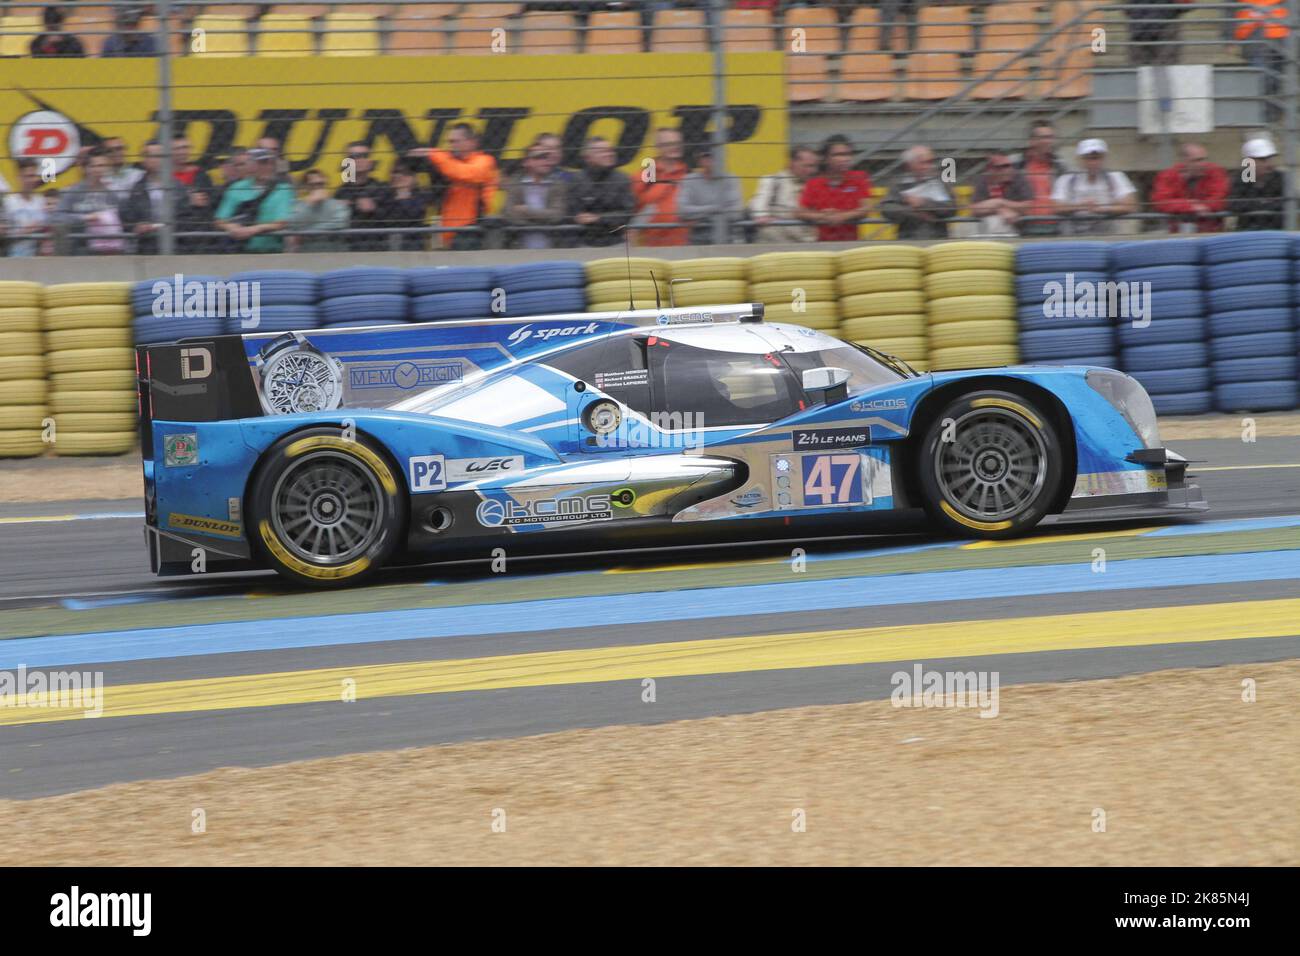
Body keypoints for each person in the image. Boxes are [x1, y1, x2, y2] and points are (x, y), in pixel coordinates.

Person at [409, 123, 498, 250]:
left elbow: (466, 173)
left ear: (472, 142)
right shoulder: (448, 162)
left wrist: (434, 154)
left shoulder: (484, 161)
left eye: (455, 141)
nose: (451, 146)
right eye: (450, 142)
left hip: (471, 229)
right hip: (447, 231)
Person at [214, 147, 295, 253]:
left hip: (272, 250)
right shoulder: (236, 187)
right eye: (260, 163)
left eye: (268, 163)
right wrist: (231, 227)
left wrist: (255, 229)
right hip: (240, 250)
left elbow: (282, 222)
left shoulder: (283, 189)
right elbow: (220, 220)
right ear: (250, 166)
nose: (266, 167)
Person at [1050, 138, 1138, 235]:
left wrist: (1101, 209)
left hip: (1107, 237)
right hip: (1073, 237)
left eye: (1097, 158)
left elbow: (1130, 206)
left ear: (1103, 158)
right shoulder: (1066, 179)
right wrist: (1080, 207)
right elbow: (1056, 207)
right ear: (1080, 159)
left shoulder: (1116, 177)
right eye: (1088, 158)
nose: (1093, 163)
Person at [799, 135, 873, 242]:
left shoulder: (859, 177)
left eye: (848, 154)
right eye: (838, 155)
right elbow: (800, 212)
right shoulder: (814, 183)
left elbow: (866, 208)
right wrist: (822, 216)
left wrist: (842, 216)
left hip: (850, 243)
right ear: (826, 159)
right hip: (821, 243)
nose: (845, 159)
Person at [566, 136, 635, 247]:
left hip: (616, 241)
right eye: (602, 151)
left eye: (610, 150)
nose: (609, 154)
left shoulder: (622, 179)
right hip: (584, 242)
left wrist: (598, 218)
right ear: (588, 157)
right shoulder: (577, 180)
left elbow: (627, 213)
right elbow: (573, 214)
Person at [54, 147, 125, 254]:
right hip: (79, 251)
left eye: (102, 166)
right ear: (87, 168)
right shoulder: (74, 192)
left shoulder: (112, 195)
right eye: (95, 166)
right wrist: (85, 218)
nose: (99, 170)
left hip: (107, 253)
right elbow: (57, 217)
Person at [880, 144, 957, 240]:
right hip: (908, 238)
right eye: (923, 163)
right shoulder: (899, 183)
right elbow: (887, 208)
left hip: (937, 237)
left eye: (930, 162)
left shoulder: (940, 182)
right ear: (910, 165)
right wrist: (916, 214)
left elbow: (952, 207)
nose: (928, 166)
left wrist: (923, 203)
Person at [1150, 142, 1230, 233]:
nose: (1203, 164)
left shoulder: (1215, 172)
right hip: (1179, 232)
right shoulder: (1169, 175)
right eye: (1197, 160)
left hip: (1210, 230)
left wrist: (1203, 206)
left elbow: (1220, 199)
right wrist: (1191, 206)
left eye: (1204, 159)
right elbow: (1160, 201)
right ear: (1185, 161)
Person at [631, 127, 690, 247]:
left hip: (684, 242)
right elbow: (634, 205)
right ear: (658, 147)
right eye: (669, 143)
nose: (675, 147)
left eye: (678, 143)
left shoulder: (688, 173)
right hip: (651, 243)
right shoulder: (648, 172)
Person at [504, 142, 568, 249]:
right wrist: (544, 217)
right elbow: (510, 215)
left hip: (552, 247)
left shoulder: (558, 184)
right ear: (526, 162)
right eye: (540, 157)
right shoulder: (515, 183)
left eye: (547, 157)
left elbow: (557, 216)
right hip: (519, 247)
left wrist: (526, 211)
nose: (546, 161)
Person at [749, 146, 819, 243]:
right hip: (775, 244)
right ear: (792, 163)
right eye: (807, 166)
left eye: (814, 166)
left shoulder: (815, 185)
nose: (812, 171)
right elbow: (758, 203)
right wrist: (762, 216)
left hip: (805, 242)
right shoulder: (774, 180)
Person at [335, 140, 396, 251]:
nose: (359, 160)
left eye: (364, 156)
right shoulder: (341, 192)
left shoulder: (382, 188)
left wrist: (374, 209)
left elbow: (395, 219)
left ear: (370, 161)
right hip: (349, 248)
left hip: (378, 247)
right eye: (353, 157)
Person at [677, 147, 743, 245]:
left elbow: (736, 212)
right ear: (698, 160)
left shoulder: (730, 179)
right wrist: (716, 209)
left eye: (715, 156)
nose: (711, 160)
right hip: (698, 239)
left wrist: (699, 218)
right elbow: (682, 211)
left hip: (727, 238)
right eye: (706, 156)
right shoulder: (689, 180)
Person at [1234, 0, 1288, 117]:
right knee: (1261, 78)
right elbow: (1230, 10)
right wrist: (1228, 38)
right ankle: (1262, 114)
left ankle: (1269, 112)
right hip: (1257, 39)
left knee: (1274, 79)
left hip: (1278, 37)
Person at [1015, 121, 1066, 236]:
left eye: (1051, 137)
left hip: (1055, 226)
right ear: (1032, 141)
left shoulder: (1061, 167)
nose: (1049, 141)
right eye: (1044, 137)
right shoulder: (1017, 166)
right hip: (1025, 225)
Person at [120, 140, 168, 254]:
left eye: (159, 155)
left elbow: (184, 218)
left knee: (177, 273)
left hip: (176, 246)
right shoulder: (136, 190)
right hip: (148, 247)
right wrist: (135, 227)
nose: (155, 160)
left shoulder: (177, 188)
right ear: (144, 160)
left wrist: (156, 226)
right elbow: (129, 218)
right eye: (150, 156)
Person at [969, 151, 1033, 236]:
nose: (1008, 169)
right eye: (1002, 167)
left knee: (998, 222)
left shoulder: (1019, 178)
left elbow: (1027, 207)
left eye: (1009, 166)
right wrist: (999, 209)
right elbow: (975, 209)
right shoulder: (983, 180)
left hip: (1018, 225)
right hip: (988, 228)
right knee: (993, 220)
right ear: (991, 169)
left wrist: (1000, 202)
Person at [1228, 137, 1285, 230]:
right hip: (1247, 231)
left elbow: (1292, 203)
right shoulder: (1242, 178)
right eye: (1263, 160)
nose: (1269, 164)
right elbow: (1233, 205)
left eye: (1270, 159)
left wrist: (1255, 205)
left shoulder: (1280, 178)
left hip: (1276, 230)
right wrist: (1266, 204)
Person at [287, 169, 350, 252]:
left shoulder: (338, 205)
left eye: (321, 184)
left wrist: (307, 232)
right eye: (313, 185)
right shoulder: (298, 206)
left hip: (334, 249)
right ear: (306, 187)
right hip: (308, 251)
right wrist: (310, 203)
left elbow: (340, 224)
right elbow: (293, 224)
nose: (318, 187)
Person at [172, 134, 217, 251]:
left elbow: (207, 203)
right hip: (174, 234)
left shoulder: (201, 175)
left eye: (186, 147)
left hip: (199, 233)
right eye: (178, 148)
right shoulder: (162, 177)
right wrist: (188, 199)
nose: (183, 152)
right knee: (178, 270)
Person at [3, 160, 51, 257]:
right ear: (19, 178)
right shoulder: (9, 202)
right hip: (13, 254)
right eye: (27, 176)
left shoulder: (41, 201)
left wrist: (37, 227)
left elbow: (47, 227)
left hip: (38, 254)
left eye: (33, 176)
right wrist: (22, 232)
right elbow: (4, 231)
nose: (31, 180)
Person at [386, 161, 434, 251]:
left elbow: (414, 215)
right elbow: (389, 218)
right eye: (395, 172)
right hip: (391, 238)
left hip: (415, 238)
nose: (398, 176)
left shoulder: (421, 196)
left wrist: (403, 196)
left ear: (413, 178)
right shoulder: (386, 195)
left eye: (404, 173)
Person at [1125, 0, 1190, 66]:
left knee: (1143, 69)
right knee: (1142, 69)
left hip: (1160, 31)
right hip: (1147, 31)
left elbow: (1126, 8)